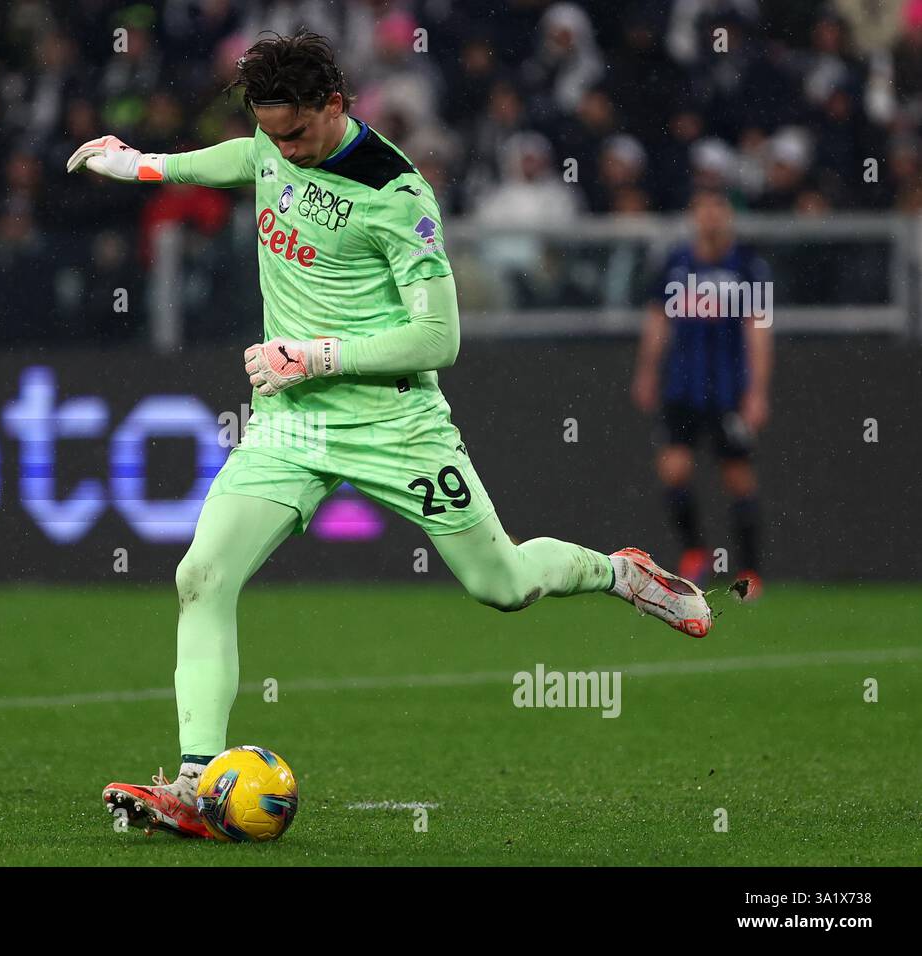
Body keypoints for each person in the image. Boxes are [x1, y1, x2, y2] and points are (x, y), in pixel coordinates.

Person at [68, 31, 712, 840]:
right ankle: (199, 783)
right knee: (201, 575)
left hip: (392, 421)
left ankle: (619, 573)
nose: (283, 151)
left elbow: (440, 338)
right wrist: (140, 164)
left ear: (335, 105)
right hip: (293, 422)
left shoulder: (397, 194)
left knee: (503, 585)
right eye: (270, 132)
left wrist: (315, 354)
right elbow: (234, 161)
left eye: (296, 132)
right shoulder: (271, 149)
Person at [632, 187, 772, 596]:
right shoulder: (675, 264)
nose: (710, 216)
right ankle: (695, 552)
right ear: (693, 214)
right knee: (673, 469)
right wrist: (646, 372)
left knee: (737, 476)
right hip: (682, 386)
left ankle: (749, 570)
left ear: (728, 214)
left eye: (718, 207)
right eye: (703, 207)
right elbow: (657, 322)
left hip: (729, 389)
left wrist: (758, 391)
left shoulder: (747, 265)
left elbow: (758, 330)